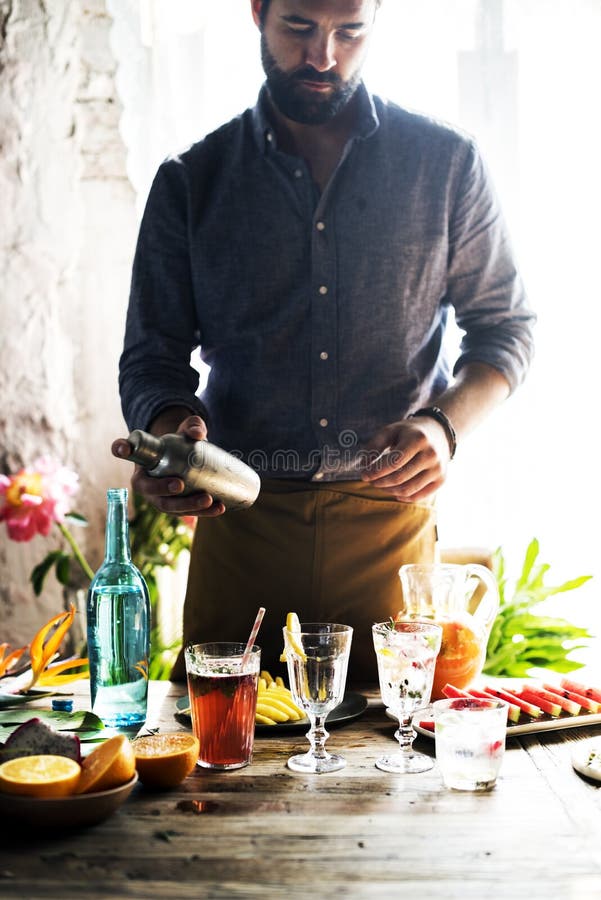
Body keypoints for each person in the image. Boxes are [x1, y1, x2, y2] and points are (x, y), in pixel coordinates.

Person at [113, 0, 535, 683]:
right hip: (239, 524)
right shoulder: (191, 179)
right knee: (222, 769)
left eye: (350, 31)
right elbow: (151, 355)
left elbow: (506, 328)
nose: (323, 56)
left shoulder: (446, 164)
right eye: (300, 28)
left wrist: (441, 427)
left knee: (395, 767)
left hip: (389, 531)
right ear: (258, 11)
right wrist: (170, 434)